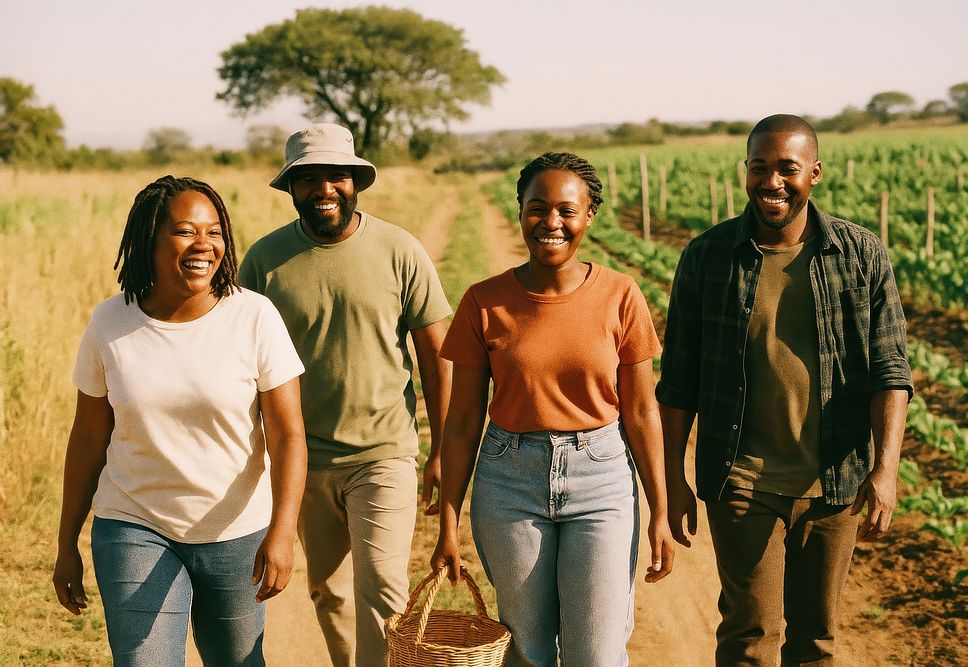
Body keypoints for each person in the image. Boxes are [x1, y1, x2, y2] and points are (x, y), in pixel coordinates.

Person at [657, 114, 912, 665]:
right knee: (749, 636)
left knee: (816, 639)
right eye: (759, 168)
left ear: (814, 172)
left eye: (786, 169)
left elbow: (891, 372)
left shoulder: (861, 254)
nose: (771, 182)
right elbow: (678, 381)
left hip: (834, 483)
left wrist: (886, 469)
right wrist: (673, 477)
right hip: (741, 480)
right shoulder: (708, 257)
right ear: (745, 171)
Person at [52, 176, 308, 666]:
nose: (203, 245)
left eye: (214, 232)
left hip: (236, 531)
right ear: (150, 239)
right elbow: (87, 438)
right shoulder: (110, 323)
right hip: (134, 523)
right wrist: (66, 544)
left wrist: (282, 530)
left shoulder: (254, 316)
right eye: (185, 231)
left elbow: (288, 435)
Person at [432, 152, 673, 666]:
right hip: (509, 483)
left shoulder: (621, 295)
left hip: (601, 481)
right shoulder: (483, 302)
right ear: (520, 211)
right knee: (528, 651)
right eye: (537, 208)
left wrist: (660, 509)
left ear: (590, 216)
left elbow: (641, 412)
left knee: (597, 654)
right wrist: (448, 520)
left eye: (567, 210)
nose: (551, 223)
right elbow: (463, 421)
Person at [239, 123, 453, 666]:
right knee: (328, 593)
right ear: (292, 188)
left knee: (382, 589)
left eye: (336, 176)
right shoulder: (265, 262)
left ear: (355, 182)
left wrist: (442, 449)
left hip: (383, 453)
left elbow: (436, 356)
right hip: (303, 459)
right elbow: (241, 363)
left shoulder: (400, 250)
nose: (324, 189)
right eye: (309, 179)